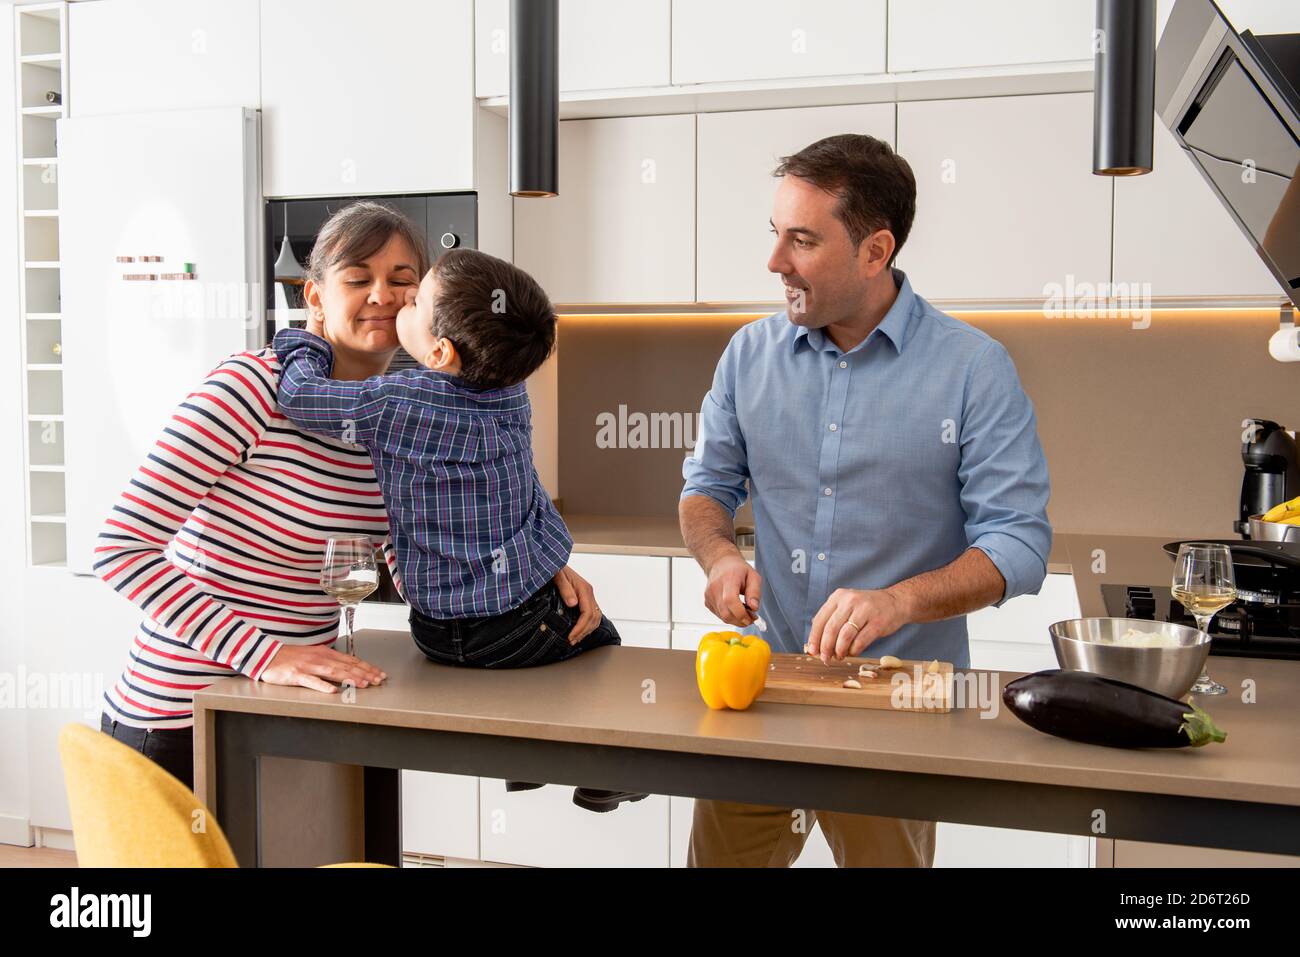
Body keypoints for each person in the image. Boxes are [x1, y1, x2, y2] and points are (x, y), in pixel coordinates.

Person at [95, 201, 605, 792]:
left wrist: (533, 568)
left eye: (404, 282)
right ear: (314, 296)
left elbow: (432, 532)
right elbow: (121, 549)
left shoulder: (409, 410)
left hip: (302, 708)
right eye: (358, 279)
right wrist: (267, 655)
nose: (383, 297)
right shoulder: (250, 389)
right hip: (184, 716)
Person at [680, 134, 1052, 866]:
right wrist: (721, 557)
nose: (775, 261)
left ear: (875, 251)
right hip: (765, 687)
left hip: (901, 702)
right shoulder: (748, 356)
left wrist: (900, 602)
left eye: (802, 240)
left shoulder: (974, 369)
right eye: (775, 235)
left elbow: (1018, 543)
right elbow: (707, 488)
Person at [272, 247, 644, 813]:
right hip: (520, 624)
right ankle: (592, 771)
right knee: (601, 648)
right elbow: (519, 490)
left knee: (549, 668)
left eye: (414, 297)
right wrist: (548, 561)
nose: (400, 299)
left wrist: (303, 342)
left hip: (435, 631)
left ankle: (525, 761)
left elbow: (300, 397)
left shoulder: (395, 402)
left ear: (440, 351)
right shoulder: (512, 393)